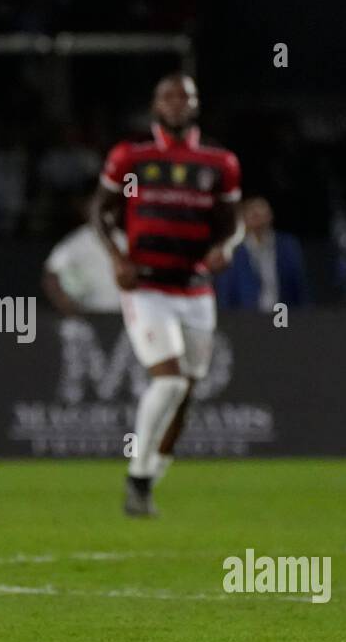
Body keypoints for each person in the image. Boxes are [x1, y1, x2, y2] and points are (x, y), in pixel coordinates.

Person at [88, 72, 243, 517]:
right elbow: (98, 209)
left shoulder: (220, 162)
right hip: (147, 286)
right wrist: (118, 257)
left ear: (196, 105)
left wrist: (224, 249)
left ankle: (148, 481)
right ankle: (137, 475)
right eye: (168, 97)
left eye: (185, 97)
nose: (177, 103)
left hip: (195, 288)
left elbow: (230, 224)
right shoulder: (131, 156)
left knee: (187, 392)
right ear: (156, 106)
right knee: (170, 379)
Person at [215, 196, 309, 311]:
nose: (259, 221)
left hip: (282, 314)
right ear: (244, 218)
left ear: (270, 216)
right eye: (254, 216)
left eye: (262, 215)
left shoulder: (287, 246)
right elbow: (225, 290)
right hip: (245, 317)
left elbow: (299, 285)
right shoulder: (233, 249)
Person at [42, 202, 125, 315]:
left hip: (123, 312)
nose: (108, 217)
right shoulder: (83, 238)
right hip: (88, 315)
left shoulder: (126, 237)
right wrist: (63, 301)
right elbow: (51, 272)